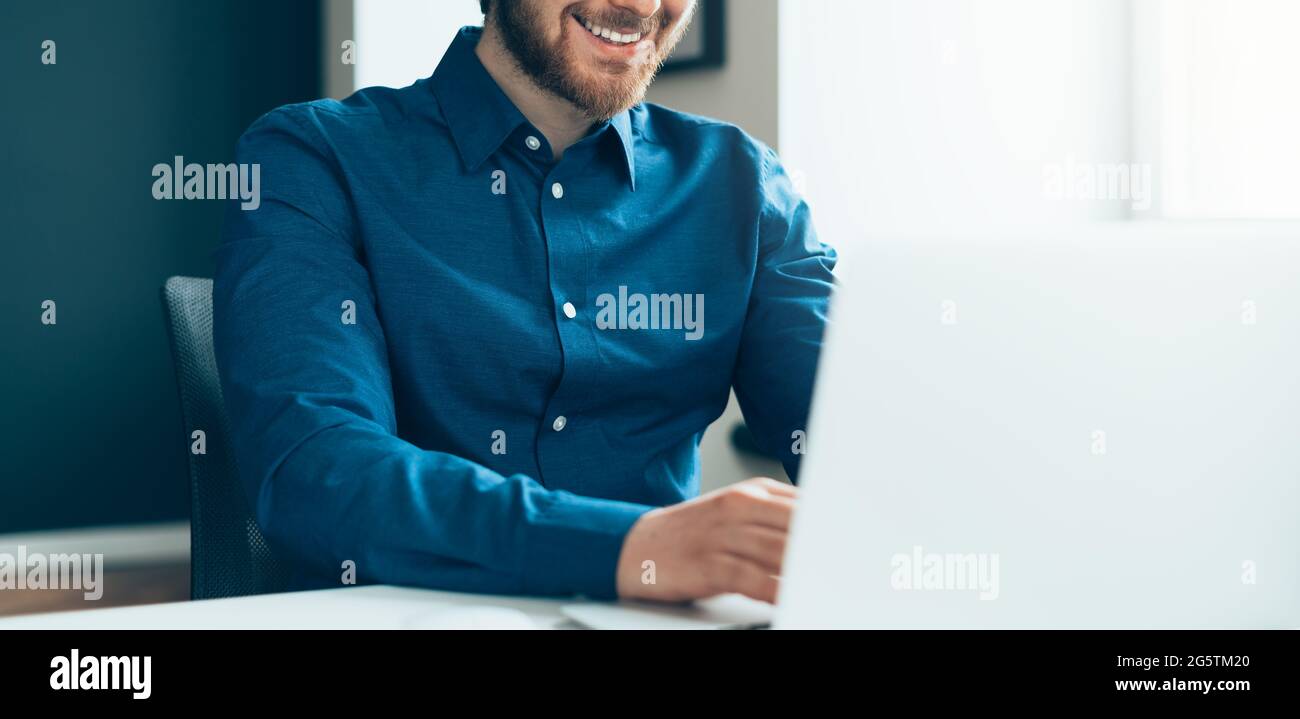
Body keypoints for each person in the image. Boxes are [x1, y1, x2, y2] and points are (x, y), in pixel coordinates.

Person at [213, 0, 835, 604]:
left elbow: (861, 436)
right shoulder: (311, 158)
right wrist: (628, 548)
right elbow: (315, 468)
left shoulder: (741, 184)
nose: (642, 3)